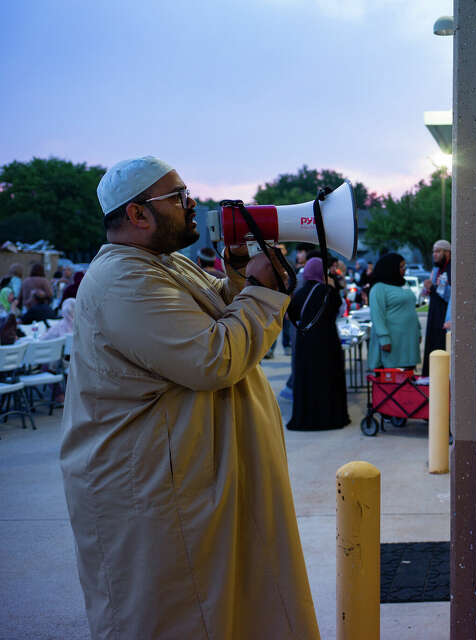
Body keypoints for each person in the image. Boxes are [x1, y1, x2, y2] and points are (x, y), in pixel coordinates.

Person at [59, 156, 320, 639]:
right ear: (138, 214)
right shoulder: (123, 280)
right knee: (182, 617)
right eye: (178, 197)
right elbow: (212, 356)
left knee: (228, 612)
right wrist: (262, 288)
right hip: (160, 496)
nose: (193, 204)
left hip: (192, 483)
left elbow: (220, 308)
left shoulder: (160, 264)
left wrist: (240, 271)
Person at [286, 257, 350, 430]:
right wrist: (332, 287)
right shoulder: (327, 290)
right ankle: (330, 418)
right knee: (327, 378)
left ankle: (307, 419)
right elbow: (340, 309)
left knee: (308, 379)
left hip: (305, 343)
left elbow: (291, 314)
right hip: (327, 342)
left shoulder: (300, 292)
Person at [368, 253, 421, 370]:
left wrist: (419, 330)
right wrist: (384, 338)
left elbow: (410, 307)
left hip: (409, 340)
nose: (404, 270)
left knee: (408, 377)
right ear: (391, 267)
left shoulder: (404, 283)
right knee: (394, 381)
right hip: (392, 342)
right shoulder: (378, 288)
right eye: (401, 267)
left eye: (405, 267)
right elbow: (377, 316)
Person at [421, 239, 451, 376]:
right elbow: (432, 292)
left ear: (447, 252)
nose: (435, 254)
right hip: (434, 314)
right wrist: (427, 288)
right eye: (433, 251)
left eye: (438, 251)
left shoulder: (452, 269)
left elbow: (451, 295)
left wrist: (433, 287)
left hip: (445, 316)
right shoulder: (436, 269)